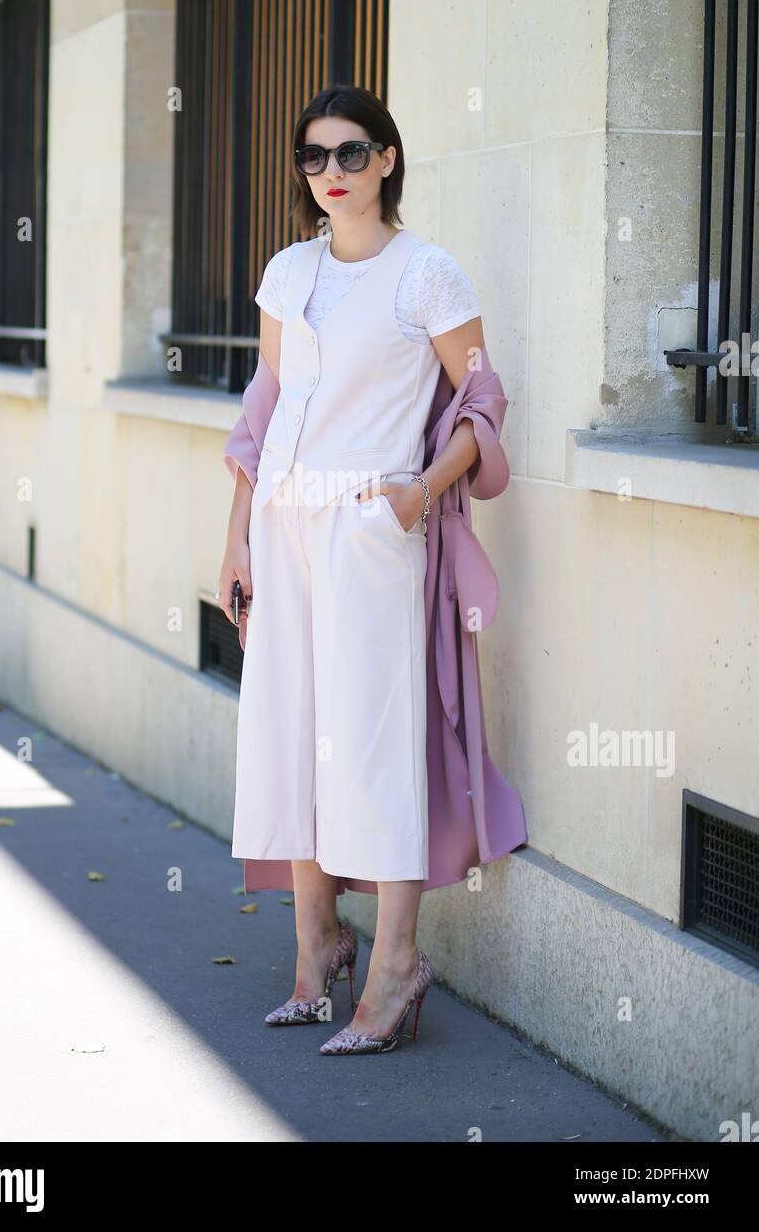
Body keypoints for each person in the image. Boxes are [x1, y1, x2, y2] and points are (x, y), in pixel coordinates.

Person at [217, 84, 490, 1055]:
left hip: (370, 530)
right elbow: (263, 413)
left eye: (348, 153)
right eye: (312, 158)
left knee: (371, 741)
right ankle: (315, 945)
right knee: (286, 732)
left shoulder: (426, 273)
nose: (329, 173)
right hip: (285, 529)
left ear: (385, 159)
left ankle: (395, 963)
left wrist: (415, 494)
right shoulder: (287, 272)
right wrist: (238, 534)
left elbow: (482, 402)